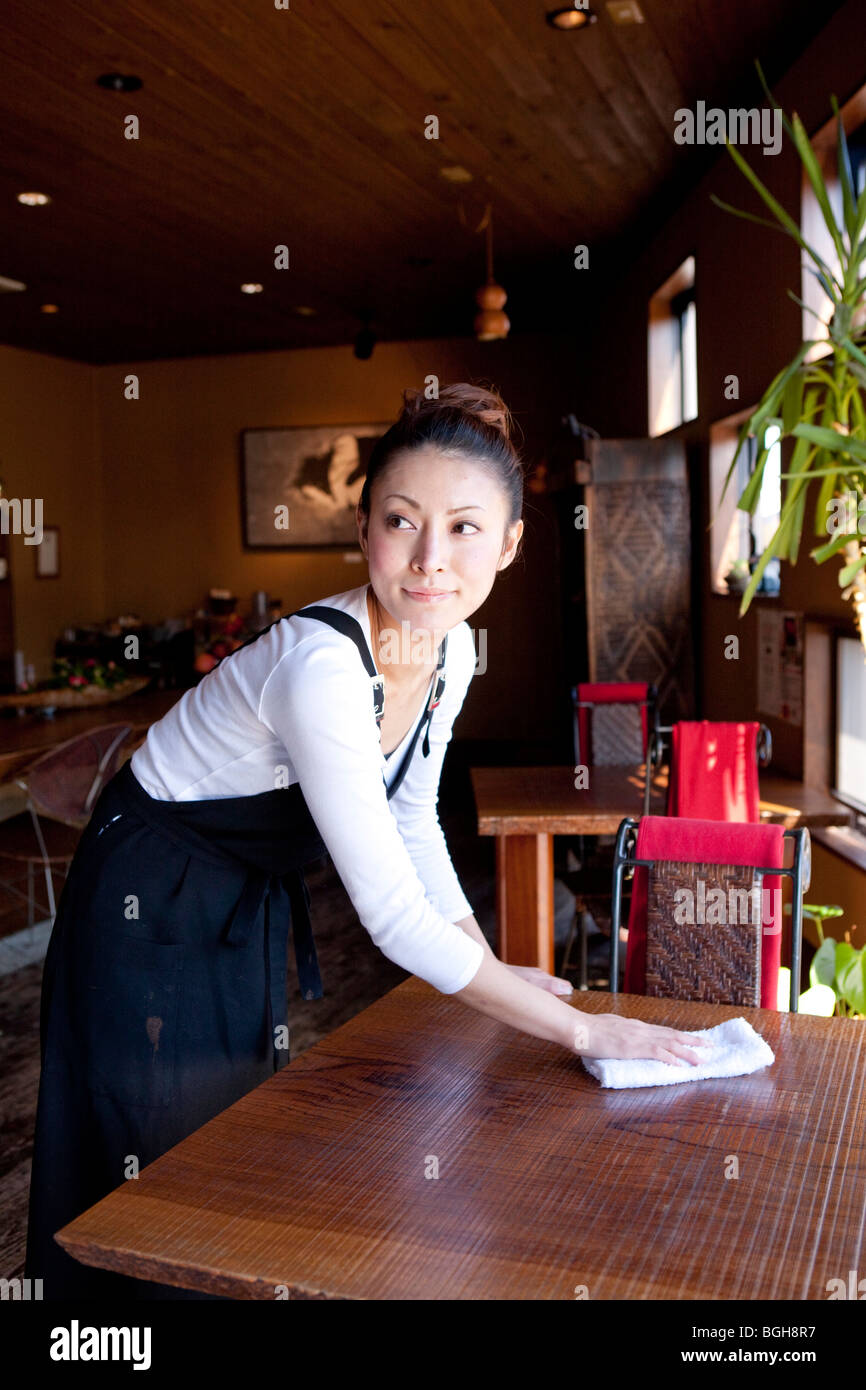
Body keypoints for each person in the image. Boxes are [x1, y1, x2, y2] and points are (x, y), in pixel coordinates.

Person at [24, 381, 708, 1301]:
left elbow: (412, 813)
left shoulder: (450, 652)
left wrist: (486, 965)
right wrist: (584, 1027)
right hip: (148, 888)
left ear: (508, 543)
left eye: (465, 528)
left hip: (240, 888)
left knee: (232, 1134)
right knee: (143, 1138)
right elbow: (387, 914)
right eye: (402, 520)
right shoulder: (322, 667)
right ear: (363, 529)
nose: (430, 560)